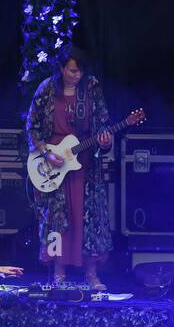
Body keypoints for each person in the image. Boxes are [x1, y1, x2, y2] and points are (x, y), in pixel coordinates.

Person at [26, 46, 113, 289]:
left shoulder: (92, 87)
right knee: (57, 221)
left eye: (80, 71)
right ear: (62, 69)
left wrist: (106, 140)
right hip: (55, 164)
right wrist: (46, 152)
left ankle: (92, 274)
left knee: (88, 220)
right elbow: (31, 126)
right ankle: (59, 273)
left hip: (85, 164)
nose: (77, 75)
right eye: (72, 71)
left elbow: (103, 124)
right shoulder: (47, 89)